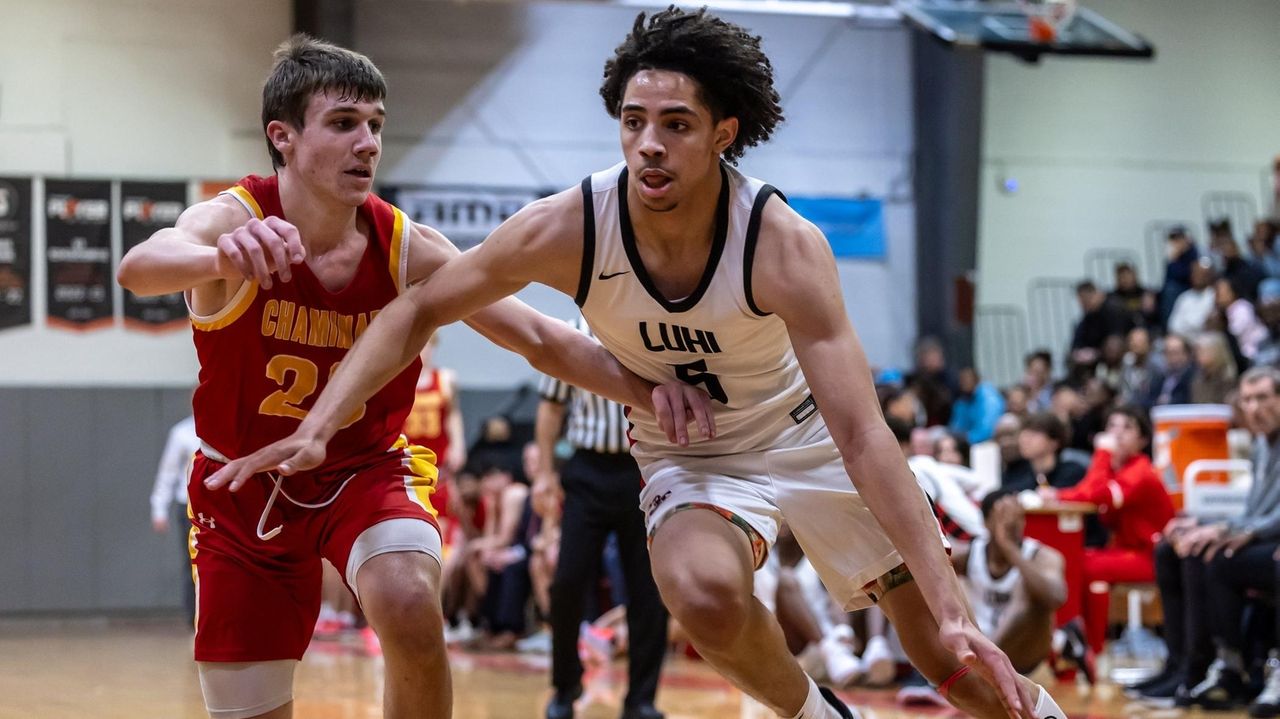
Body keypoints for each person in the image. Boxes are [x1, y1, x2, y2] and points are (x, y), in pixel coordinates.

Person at [209, 10, 1065, 719]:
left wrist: (953, 606)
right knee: (700, 591)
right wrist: (318, 425)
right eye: (633, 122)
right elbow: (418, 308)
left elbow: (863, 432)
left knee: (948, 653)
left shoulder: (782, 244)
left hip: (809, 435)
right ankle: (818, 714)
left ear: (723, 134)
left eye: (676, 125)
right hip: (693, 450)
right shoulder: (571, 225)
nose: (648, 144)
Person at [116, 35, 709, 719]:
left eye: (375, 124)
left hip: (363, 472)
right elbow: (143, 264)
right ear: (282, 137)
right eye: (343, 123)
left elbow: (541, 337)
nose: (367, 142)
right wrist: (217, 253)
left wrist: (649, 388)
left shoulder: (408, 246)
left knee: (405, 598)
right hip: (244, 487)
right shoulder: (235, 220)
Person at [534, 315, 668, 719]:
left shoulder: (654, 330)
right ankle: (564, 686)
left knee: (648, 591)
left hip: (642, 471)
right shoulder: (570, 330)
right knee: (567, 582)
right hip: (587, 472)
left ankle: (641, 699)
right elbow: (551, 409)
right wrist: (543, 474)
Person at [1174, 367, 1280, 714]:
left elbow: (1263, 521)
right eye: (1247, 400)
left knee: (1223, 560)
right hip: (1269, 540)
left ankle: (1262, 670)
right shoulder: (1262, 445)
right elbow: (1253, 511)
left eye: (1262, 398)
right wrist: (1214, 527)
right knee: (1198, 550)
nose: (1254, 408)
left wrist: (1245, 532)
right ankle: (1202, 666)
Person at [1041, 405, 1175, 654]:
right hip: (1126, 551)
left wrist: (1102, 452)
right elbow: (1085, 492)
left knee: (1083, 564)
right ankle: (1086, 646)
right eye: (1112, 426)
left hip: (1152, 555)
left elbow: (1094, 495)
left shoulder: (1140, 472)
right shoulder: (1118, 470)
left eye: (1127, 428)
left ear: (1143, 439)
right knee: (1076, 561)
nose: (1117, 433)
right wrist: (1057, 495)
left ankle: (1087, 646)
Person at [954, 492, 1067, 675]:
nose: (1013, 523)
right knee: (939, 581)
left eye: (1018, 516)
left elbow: (1057, 597)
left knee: (1032, 592)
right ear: (985, 522)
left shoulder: (1043, 556)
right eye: (1004, 516)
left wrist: (1009, 549)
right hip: (978, 642)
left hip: (1023, 653)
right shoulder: (968, 554)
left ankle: (985, 658)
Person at [149, 412, 200, 625]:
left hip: (220, 506)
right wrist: (159, 508)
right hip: (188, 505)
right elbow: (168, 472)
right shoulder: (181, 433)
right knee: (193, 562)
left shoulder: (228, 428)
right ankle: (193, 618)